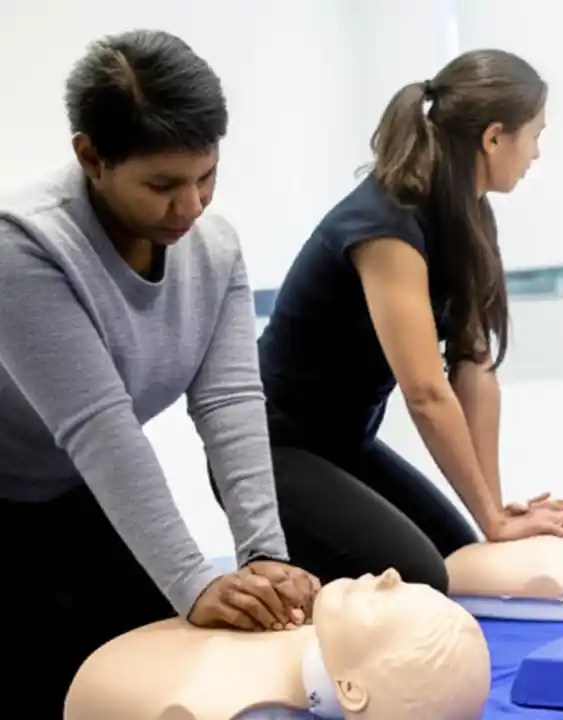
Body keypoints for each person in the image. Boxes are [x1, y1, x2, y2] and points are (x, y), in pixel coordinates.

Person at [0, 29, 319, 716]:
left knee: (152, 668)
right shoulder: (21, 245)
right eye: (163, 186)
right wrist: (193, 582)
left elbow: (231, 400)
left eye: (207, 176)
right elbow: (99, 427)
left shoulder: (214, 248)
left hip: (64, 487)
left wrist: (264, 554)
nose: (192, 207)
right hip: (28, 480)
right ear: (91, 157)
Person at [247, 48, 563, 595]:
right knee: (424, 576)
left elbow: (473, 365)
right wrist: (494, 517)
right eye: (535, 135)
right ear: (494, 138)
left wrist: (493, 516)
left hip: (343, 444)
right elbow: (426, 394)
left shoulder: (466, 213)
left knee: (461, 551)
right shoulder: (386, 223)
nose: (535, 153)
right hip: (273, 449)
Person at [65, 568, 490, 720]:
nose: (392, 576)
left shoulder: (239, 710)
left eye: (388, 607)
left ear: (350, 689)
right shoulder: (328, 640)